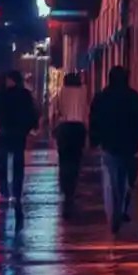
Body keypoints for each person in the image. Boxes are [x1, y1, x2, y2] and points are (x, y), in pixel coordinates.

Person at [88, 65, 138, 236]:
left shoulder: (101, 98)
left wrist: (94, 140)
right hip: (129, 146)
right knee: (127, 181)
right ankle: (121, 209)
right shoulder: (134, 97)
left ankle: (115, 215)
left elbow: (94, 120)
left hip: (109, 145)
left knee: (113, 182)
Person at [0, 70, 38, 226]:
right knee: (17, 162)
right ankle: (16, 192)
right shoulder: (24, 95)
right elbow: (32, 113)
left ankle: (5, 191)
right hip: (18, 133)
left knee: (2, 161)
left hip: (4, 132)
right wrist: (29, 128)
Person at [51, 72, 90, 218]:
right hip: (79, 128)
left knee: (64, 158)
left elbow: (55, 111)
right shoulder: (84, 91)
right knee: (76, 159)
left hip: (65, 128)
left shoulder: (61, 92)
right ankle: (72, 188)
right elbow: (87, 112)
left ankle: (65, 187)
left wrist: (53, 128)